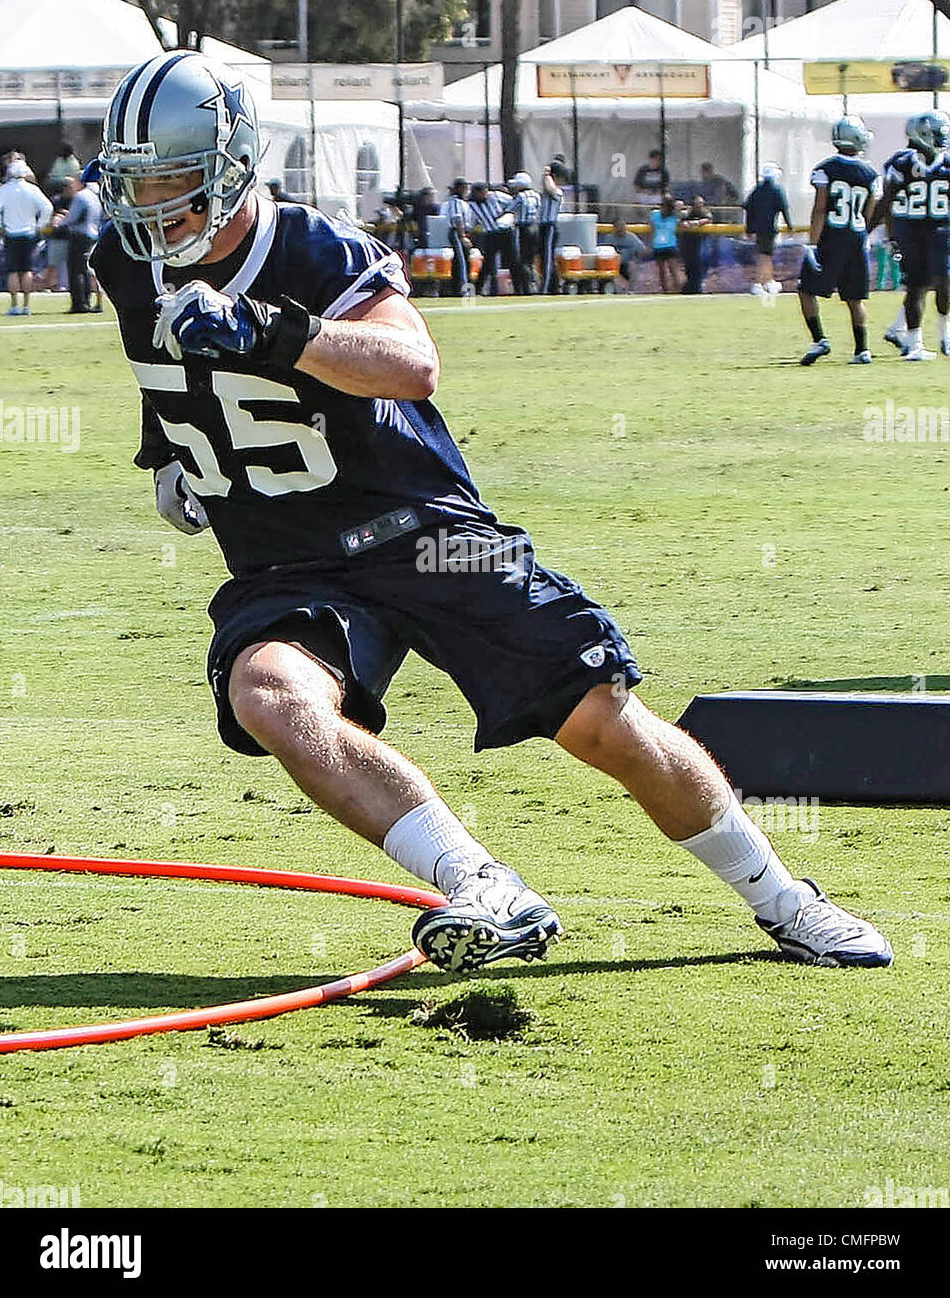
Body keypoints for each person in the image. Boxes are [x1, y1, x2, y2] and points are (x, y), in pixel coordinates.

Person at [89, 49, 893, 977]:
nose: (153, 207)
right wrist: (166, 452)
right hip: (289, 560)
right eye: (135, 183)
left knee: (601, 721)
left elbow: (410, 363)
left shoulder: (317, 252)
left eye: (174, 181)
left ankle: (787, 901)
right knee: (269, 694)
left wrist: (279, 330)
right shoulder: (125, 259)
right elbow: (169, 367)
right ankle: (482, 884)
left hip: (422, 534)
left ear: (230, 165)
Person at [797, 116, 881, 368]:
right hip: (856, 237)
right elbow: (869, 213)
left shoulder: (826, 169)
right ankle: (862, 348)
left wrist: (812, 243)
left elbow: (820, 209)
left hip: (831, 237)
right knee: (855, 298)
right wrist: (864, 237)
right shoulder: (870, 173)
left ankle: (820, 339)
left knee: (806, 290)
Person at [875, 111, 950, 360]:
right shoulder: (902, 164)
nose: (942, 138)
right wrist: (868, 230)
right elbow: (885, 201)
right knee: (916, 285)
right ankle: (914, 343)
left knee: (944, 282)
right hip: (912, 231)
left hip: (943, 230)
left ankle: (944, 335)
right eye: (936, 133)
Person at [0, 160, 53, 315]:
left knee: (12, 270)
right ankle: (26, 305)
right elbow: (48, 207)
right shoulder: (32, 189)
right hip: (29, 233)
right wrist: (40, 225)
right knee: (27, 270)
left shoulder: (4, 190)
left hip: (11, 233)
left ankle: (14, 305)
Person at [744, 165, 792, 296]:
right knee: (764, 256)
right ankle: (758, 283)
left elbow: (748, 208)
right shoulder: (776, 190)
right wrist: (790, 226)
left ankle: (768, 280)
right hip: (769, 228)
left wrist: (749, 228)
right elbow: (784, 208)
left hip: (758, 229)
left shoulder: (757, 190)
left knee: (766, 254)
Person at [60, 172, 104, 313]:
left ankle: (79, 304)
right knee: (85, 271)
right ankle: (87, 300)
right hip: (92, 235)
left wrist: (60, 222)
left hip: (79, 236)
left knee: (76, 271)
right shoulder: (94, 197)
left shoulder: (80, 196)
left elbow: (72, 217)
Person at [468, 179, 512, 296]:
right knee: (489, 264)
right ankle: (485, 290)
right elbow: (471, 222)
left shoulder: (496, 196)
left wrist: (506, 215)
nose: (480, 194)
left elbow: (512, 202)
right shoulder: (471, 204)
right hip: (489, 234)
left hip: (504, 231)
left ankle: (513, 288)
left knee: (510, 260)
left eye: (481, 191)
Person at [507, 170, 541, 295]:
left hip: (523, 228)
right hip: (534, 226)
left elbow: (510, 208)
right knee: (531, 260)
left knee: (523, 260)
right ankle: (535, 285)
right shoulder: (536, 195)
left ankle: (527, 289)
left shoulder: (520, 196)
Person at [441, 177, 473, 296]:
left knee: (462, 259)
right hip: (456, 232)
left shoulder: (462, 202)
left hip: (463, 231)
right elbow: (457, 218)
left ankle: (456, 288)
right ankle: (463, 288)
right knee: (461, 261)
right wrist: (462, 236)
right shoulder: (455, 202)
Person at [678, 194, 714, 295]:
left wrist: (698, 222)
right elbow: (680, 218)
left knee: (700, 266)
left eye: (701, 203)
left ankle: (697, 287)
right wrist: (684, 222)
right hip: (688, 244)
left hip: (701, 243)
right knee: (689, 266)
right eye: (697, 204)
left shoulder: (704, 212)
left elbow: (708, 218)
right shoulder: (687, 213)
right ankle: (690, 287)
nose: (700, 205)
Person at [539, 160, 566, 294]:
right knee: (545, 258)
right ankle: (554, 287)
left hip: (550, 226)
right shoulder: (547, 190)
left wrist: (546, 175)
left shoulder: (557, 192)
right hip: (543, 226)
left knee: (547, 258)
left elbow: (550, 188)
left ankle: (547, 288)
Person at [649, 191, 682, 294]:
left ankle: (678, 291)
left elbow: (681, 205)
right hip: (658, 245)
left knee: (674, 270)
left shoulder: (674, 216)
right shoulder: (654, 215)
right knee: (662, 271)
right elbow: (652, 229)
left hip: (670, 245)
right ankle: (665, 291)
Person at [610, 219, 645, 291]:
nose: (621, 228)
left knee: (632, 267)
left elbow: (641, 249)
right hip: (613, 264)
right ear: (615, 227)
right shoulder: (609, 238)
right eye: (618, 226)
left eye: (622, 226)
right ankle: (612, 290)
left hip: (627, 262)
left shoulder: (632, 237)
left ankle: (631, 290)